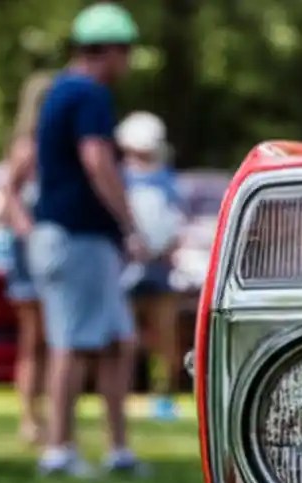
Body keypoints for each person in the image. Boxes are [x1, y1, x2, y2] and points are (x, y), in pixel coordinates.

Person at [27, 2, 148, 477]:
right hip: (77, 237)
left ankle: (119, 450)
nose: (128, 63)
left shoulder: (60, 91)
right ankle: (59, 450)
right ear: (111, 51)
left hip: (83, 239)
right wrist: (129, 222)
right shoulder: (89, 95)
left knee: (118, 341)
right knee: (73, 343)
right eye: (127, 52)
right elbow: (97, 159)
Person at [116, 111, 185, 421]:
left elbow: (175, 222)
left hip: (159, 268)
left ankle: (164, 396)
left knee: (165, 338)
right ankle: (123, 394)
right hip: (126, 269)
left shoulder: (166, 178)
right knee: (124, 338)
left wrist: (166, 248)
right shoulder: (119, 177)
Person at [2, 71, 54, 445]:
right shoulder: (29, 146)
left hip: (49, 245)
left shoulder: (55, 145)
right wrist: (27, 231)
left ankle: (51, 415)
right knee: (33, 337)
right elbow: (10, 192)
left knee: (55, 339)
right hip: (30, 249)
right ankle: (29, 416)